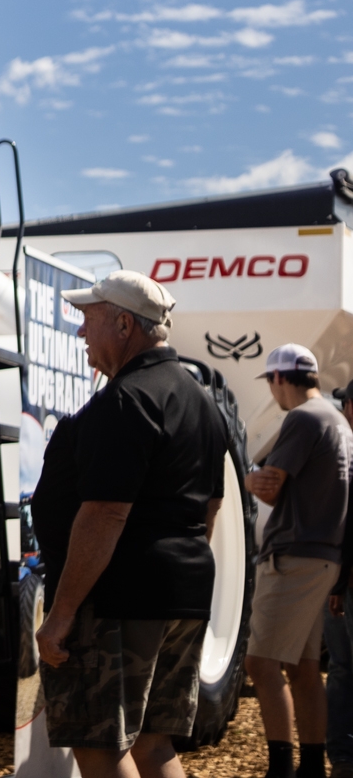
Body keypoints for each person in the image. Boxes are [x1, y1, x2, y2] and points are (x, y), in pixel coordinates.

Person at [31, 270, 226, 778]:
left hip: (119, 601)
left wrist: (62, 613)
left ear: (123, 324)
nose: (80, 333)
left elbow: (105, 513)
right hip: (181, 595)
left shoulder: (125, 400)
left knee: (100, 744)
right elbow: (211, 507)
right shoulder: (202, 402)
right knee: (153, 742)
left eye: (88, 320)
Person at [244, 344, 353, 778]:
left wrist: (250, 479)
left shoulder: (303, 418)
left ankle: (282, 768)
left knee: (260, 663)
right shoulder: (338, 422)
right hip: (324, 557)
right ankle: (310, 768)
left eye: (270, 382)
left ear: (278, 379)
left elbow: (270, 488)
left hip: (295, 555)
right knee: (303, 668)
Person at [322, 384, 353, 773]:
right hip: (343, 579)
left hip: (344, 579)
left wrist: (337, 582)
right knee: (343, 669)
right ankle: (342, 754)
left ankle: (342, 754)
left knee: (343, 669)